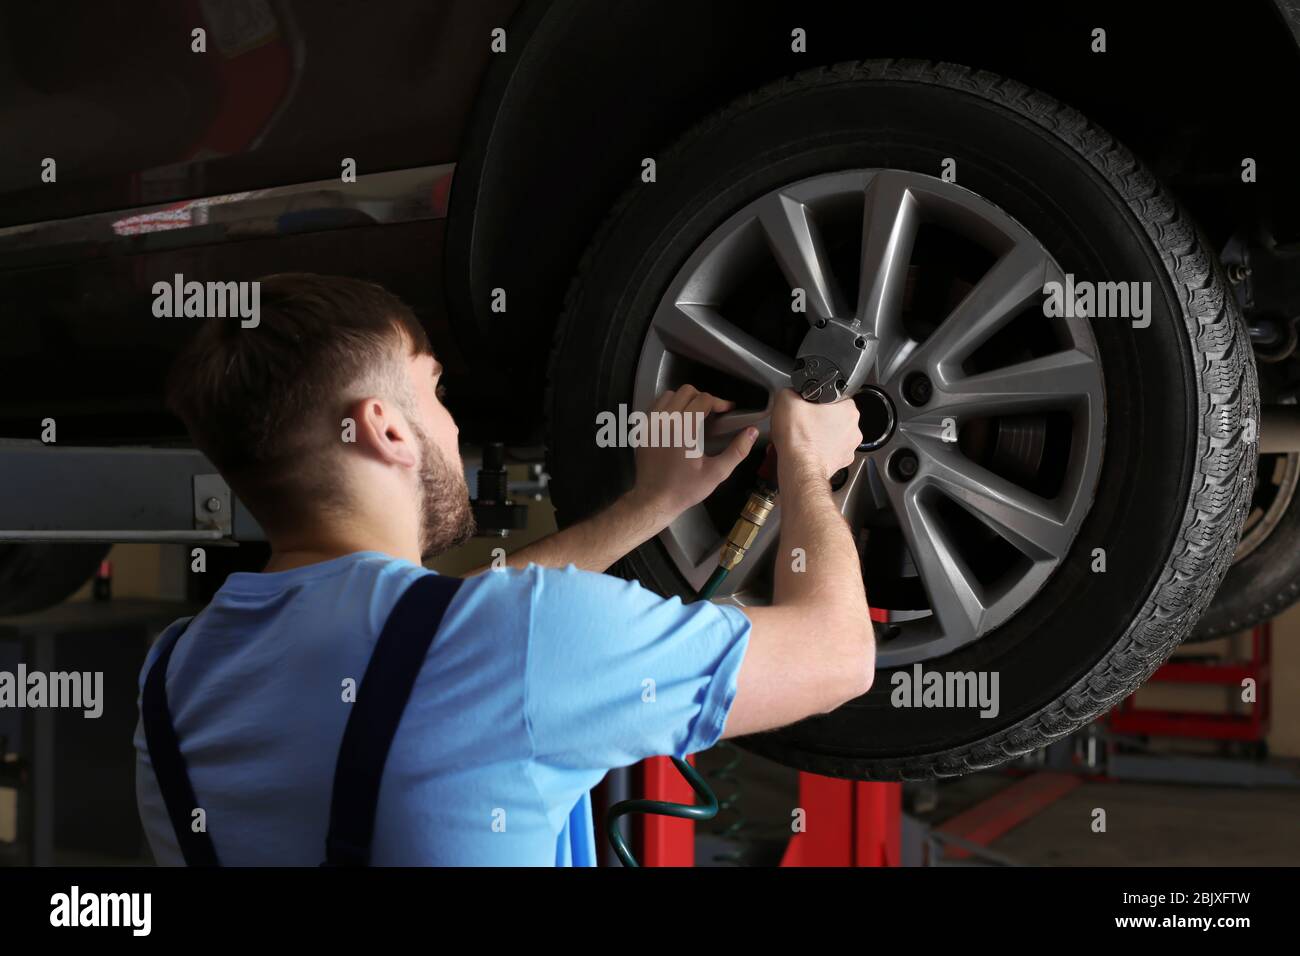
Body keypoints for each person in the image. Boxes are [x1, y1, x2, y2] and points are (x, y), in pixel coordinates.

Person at [134, 272, 872, 865]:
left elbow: (436, 642)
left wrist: (651, 504)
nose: (453, 426)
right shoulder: (512, 638)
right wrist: (810, 463)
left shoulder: (173, 681)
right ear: (386, 428)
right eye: (435, 391)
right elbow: (838, 656)